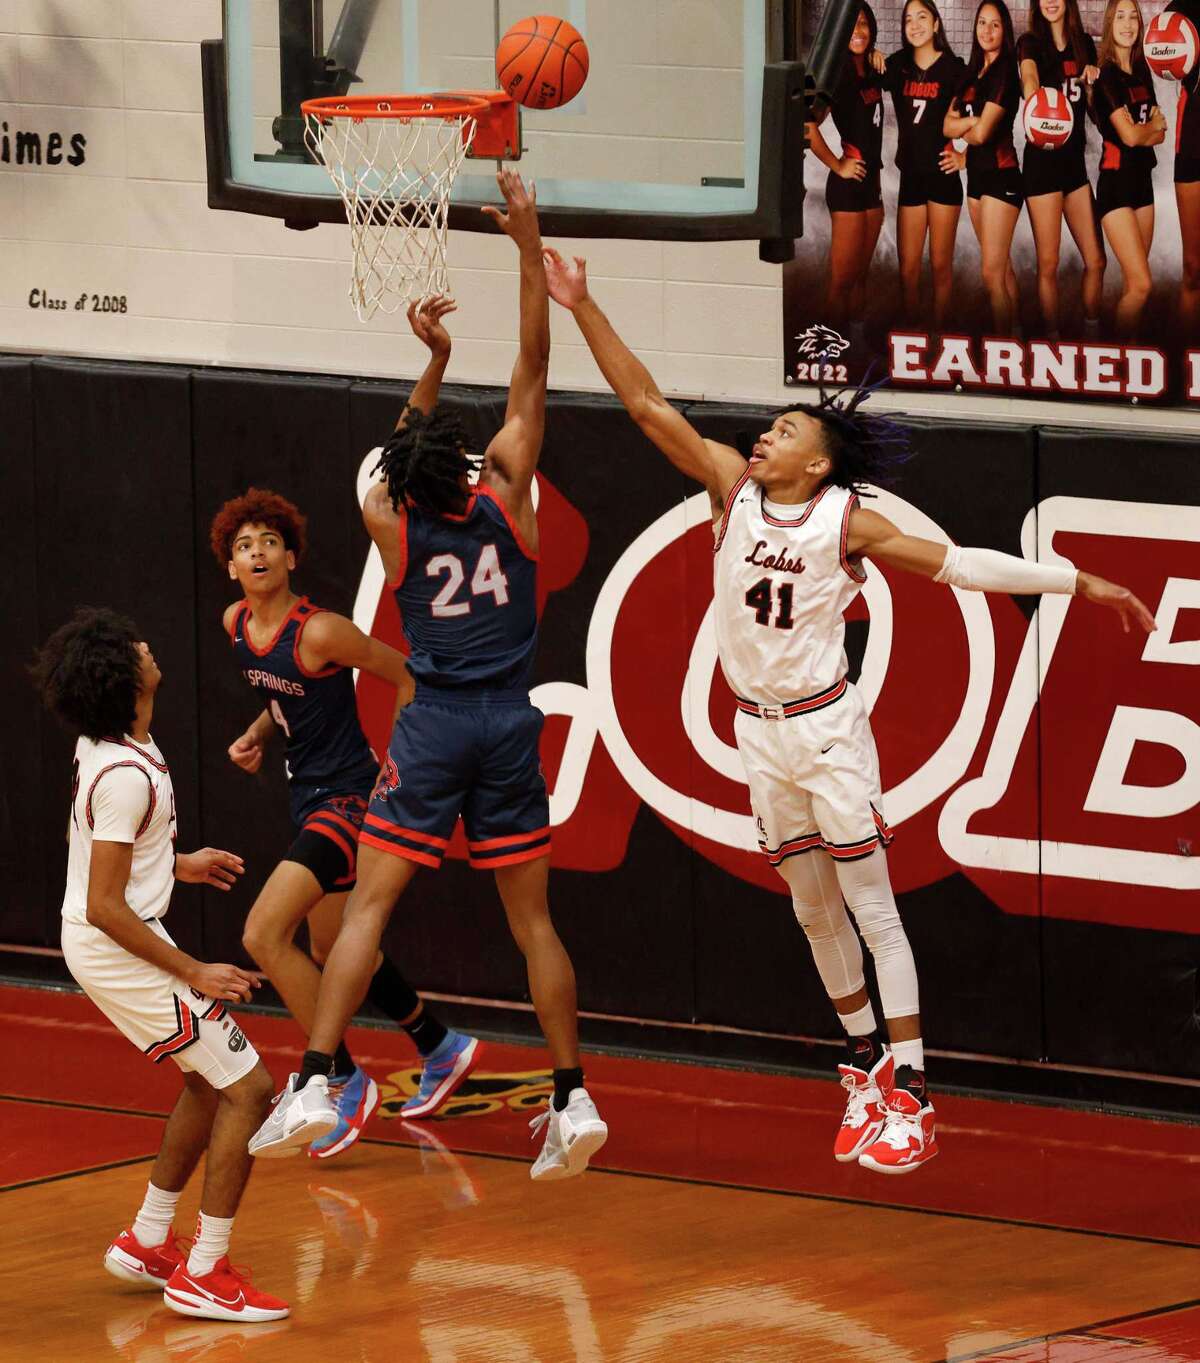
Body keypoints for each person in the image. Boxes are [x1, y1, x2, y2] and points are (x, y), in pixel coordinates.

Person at [542, 250, 1157, 1174]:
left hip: (826, 730)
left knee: (872, 903)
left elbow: (965, 566)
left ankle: (913, 1088)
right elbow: (645, 404)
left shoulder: (845, 521)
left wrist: (1080, 580)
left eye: (783, 430)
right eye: (768, 426)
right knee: (810, 906)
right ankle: (865, 1059)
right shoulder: (731, 492)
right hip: (755, 732)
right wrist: (584, 306)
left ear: (818, 460)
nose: (764, 436)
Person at [247, 170, 608, 1182]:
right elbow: (534, 365)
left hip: (434, 723)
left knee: (365, 911)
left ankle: (318, 1076)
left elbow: (396, 455)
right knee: (533, 920)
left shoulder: (390, 527)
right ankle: (573, 1097)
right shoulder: (512, 497)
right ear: (472, 464)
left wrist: (430, 362)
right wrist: (528, 240)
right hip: (507, 720)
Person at [31, 607, 288, 1320]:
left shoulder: (113, 745)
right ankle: (206, 1269)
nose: (145, 643)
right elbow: (106, 903)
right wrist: (193, 969)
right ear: (123, 676)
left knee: (208, 1083)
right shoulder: (123, 775)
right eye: (131, 645)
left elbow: (91, 846)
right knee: (251, 1087)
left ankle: (149, 1240)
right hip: (116, 945)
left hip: (111, 934)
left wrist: (171, 863)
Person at [211, 486, 479, 1152]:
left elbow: (409, 676)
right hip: (306, 793)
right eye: (244, 546)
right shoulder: (235, 625)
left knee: (264, 932)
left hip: (352, 798)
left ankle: (342, 1078)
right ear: (232, 568)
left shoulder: (320, 629)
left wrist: (403, 765)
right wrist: (258, 734)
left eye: (269, 541)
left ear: (291, 556)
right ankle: (438, 1044)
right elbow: (284, 699)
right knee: (332, 950)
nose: (257, 552)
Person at [1017, 0, 1106, 338]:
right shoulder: (1030, 42)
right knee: (1049, 265)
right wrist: (1036, 97)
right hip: (1041, 166)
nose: (1050, 2)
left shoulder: (1084, 44)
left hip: (1074, 167)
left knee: (1096, 261)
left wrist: (1092, 83)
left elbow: (1096, 111)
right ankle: (1053, 341)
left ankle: (1091, 334)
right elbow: (1028, 76)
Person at [806, 4, 886, 346]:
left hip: (873, 184)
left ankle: (854, 347)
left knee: (861, 277)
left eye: (865, 23)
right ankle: (824, 351)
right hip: (848, 186)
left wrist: (878, 58)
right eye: (852, 24)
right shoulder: (835, 73)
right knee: (841, 280)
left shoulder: (871, 68)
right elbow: (806, 126)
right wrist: (838, 164)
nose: (859, 30)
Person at [885, 0, 967, 330]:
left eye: (922, 17)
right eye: (908, 19)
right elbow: (859, 78)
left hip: (943, 177)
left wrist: (966, 156)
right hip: (912, 177)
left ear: (936, 24)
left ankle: (939, 334)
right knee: (908, 268)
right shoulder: (896, 65)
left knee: (940, 266)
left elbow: (989, 117)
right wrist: (871, 55)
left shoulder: (954, 68)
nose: (915, 24)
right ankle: (912, 331)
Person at [944, 0, 1024, 333]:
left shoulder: (1006, 72)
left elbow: (982, 133)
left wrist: (967, 123)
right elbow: (946, 126)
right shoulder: (972, 72)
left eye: (995, 24)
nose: (987, 31)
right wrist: (969, 127)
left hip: (1002, 179)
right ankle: (1017, 339)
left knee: (990, 274)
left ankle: (1005, 350)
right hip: (976, 179)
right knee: (1001, 268)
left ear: (1004, 31)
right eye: (982, 23)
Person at [1092, 0, 1165, 336]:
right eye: (1119, 17)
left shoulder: (1140, 71)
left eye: (1133, 16)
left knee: (1132, 285)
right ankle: (1116, 359)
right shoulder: (1107, 75)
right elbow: (1131, 136)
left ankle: (1129, 359)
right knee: (1142, 285)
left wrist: (1146, 132)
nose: (1127, 23)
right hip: (1116, 188)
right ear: (1109, 24)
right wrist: (1146, 131)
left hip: (1142, 187)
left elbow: (1160, 130)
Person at [1168, 0, 1200, 336]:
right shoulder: (1185, 6)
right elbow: (1159, 51)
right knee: (1193, 268)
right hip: (1192, 142)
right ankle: (1185, 362)